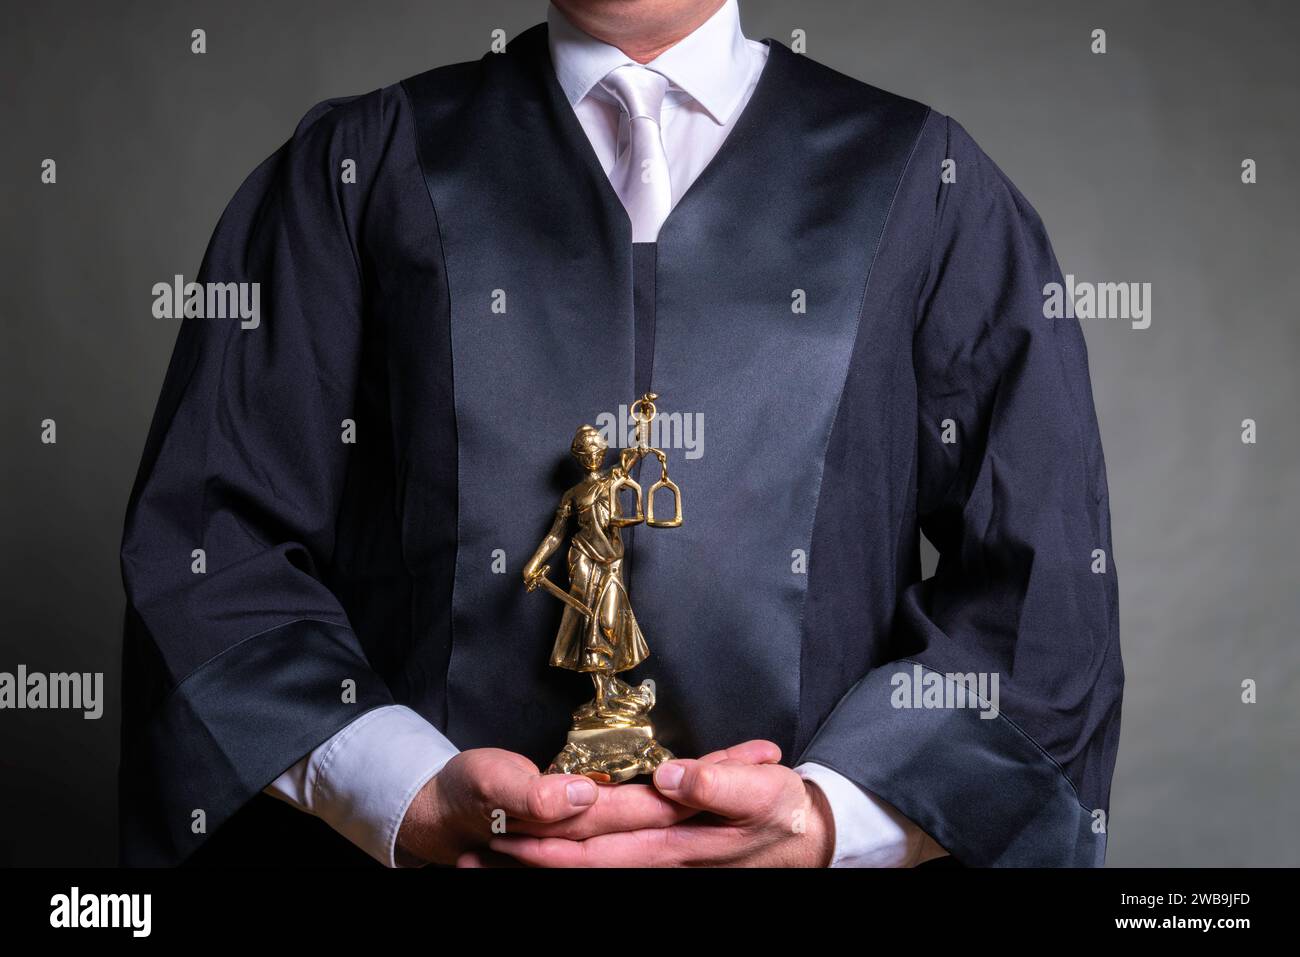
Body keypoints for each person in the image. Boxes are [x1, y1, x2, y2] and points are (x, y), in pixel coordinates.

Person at [120, 0, 1123, 868]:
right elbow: (212, 543)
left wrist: (833, 820)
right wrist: (404, 794)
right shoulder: (360, 169)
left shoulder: (924, 185)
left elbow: (1037, 600)